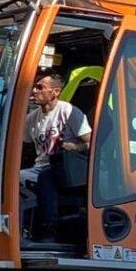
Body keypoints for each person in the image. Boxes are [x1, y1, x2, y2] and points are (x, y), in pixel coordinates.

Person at [21, 69, 90, 241]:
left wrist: (75, 146)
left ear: (55, 92)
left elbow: (91, 143)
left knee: (46, 176)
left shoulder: (69, 112)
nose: (34, 91)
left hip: (65, 168)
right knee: (12, 179)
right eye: (33, 87)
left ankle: (49, 227)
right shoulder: (31, 118)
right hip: (39, 167)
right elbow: (22, 143)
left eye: (39, 87)